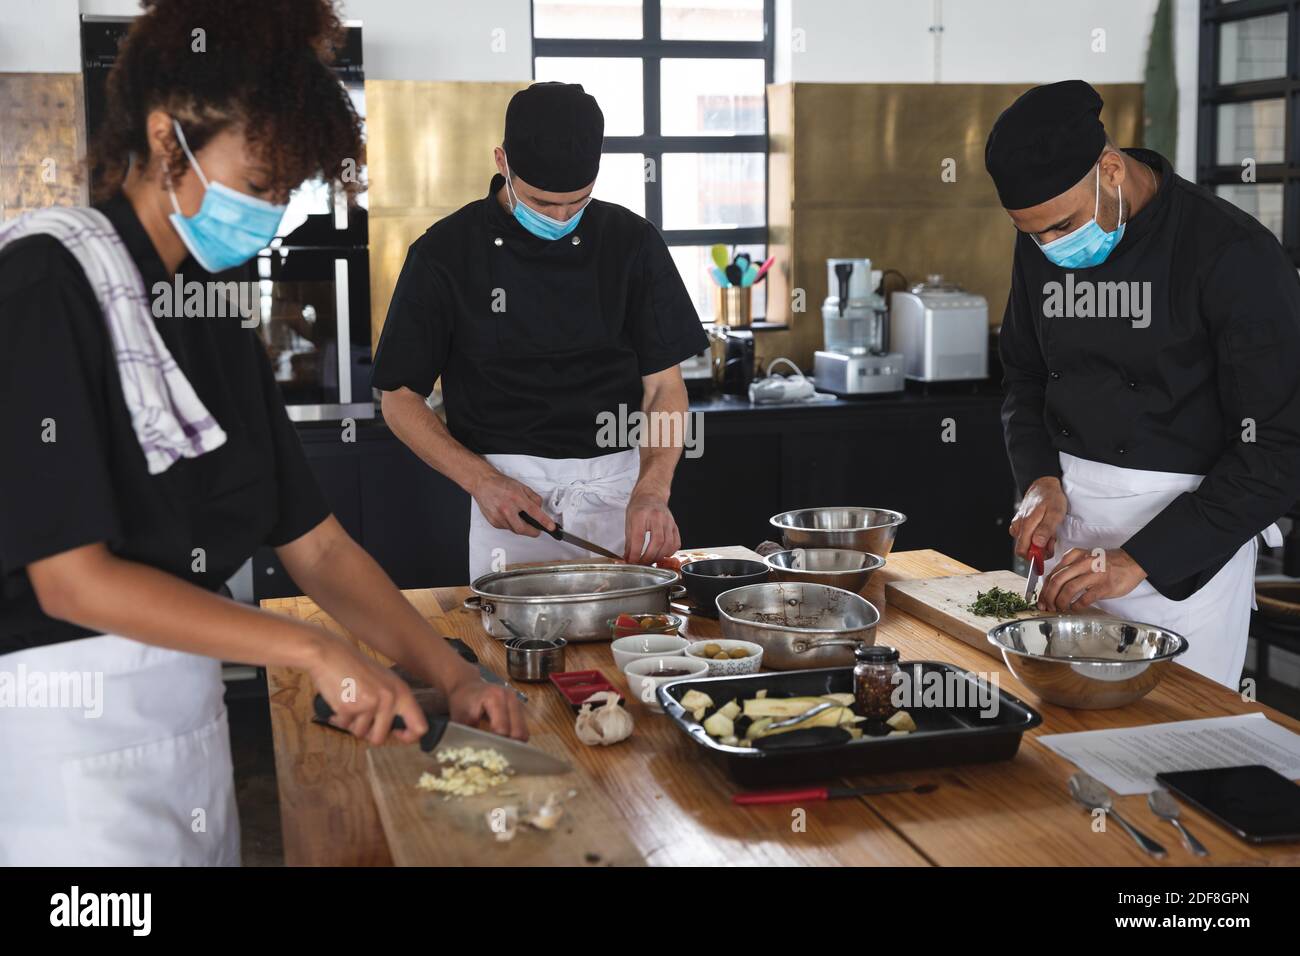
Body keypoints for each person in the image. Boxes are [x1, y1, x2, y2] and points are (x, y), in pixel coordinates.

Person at [0, 0, 524, 867]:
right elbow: (71, 580)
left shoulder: (210, 314)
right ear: (169, 141)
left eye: (287, 189)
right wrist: (311, 650)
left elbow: (316, 546)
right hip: (62, 754)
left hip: (185, 730)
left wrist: (450, 672)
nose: (272, 212)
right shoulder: (43, 287)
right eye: (258, 182)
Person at [985, 79, 1300, 688]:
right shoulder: (1043, 244)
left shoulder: (1234, 256)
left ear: (1109, 168)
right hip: (1066, 539)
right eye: (1033, 235)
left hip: (1185, 557)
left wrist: (1142, 560)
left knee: (1171, 750)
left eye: (1062, 227)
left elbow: (1279, 448)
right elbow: (1024, 376)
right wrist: (1039, 479)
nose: (1050, 247)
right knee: (1057, 748)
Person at [372, 82, 709, 581]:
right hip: (507, 503)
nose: (560, 217)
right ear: (501, 161)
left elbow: (664, 386)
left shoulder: (631, 243)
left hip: (620, 494)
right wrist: (482, 480)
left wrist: (653, 490)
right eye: (541, 202)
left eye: (577, 203)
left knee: (633, 648)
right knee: (516, 651)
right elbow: (398, 398)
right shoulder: (444, 254)